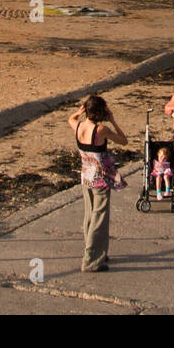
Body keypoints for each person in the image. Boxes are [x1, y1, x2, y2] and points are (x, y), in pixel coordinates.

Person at [67, 94, 127, 272]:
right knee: (99, 219)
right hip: (100, 179)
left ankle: (94, 251)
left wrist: (79, 112)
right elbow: (124, 140)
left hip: (86, 177)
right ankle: (91, 260)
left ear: (86, 110)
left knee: (89, 215)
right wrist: (113, 121)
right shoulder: (101, 130)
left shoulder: (78, 126)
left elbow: (70, 118)